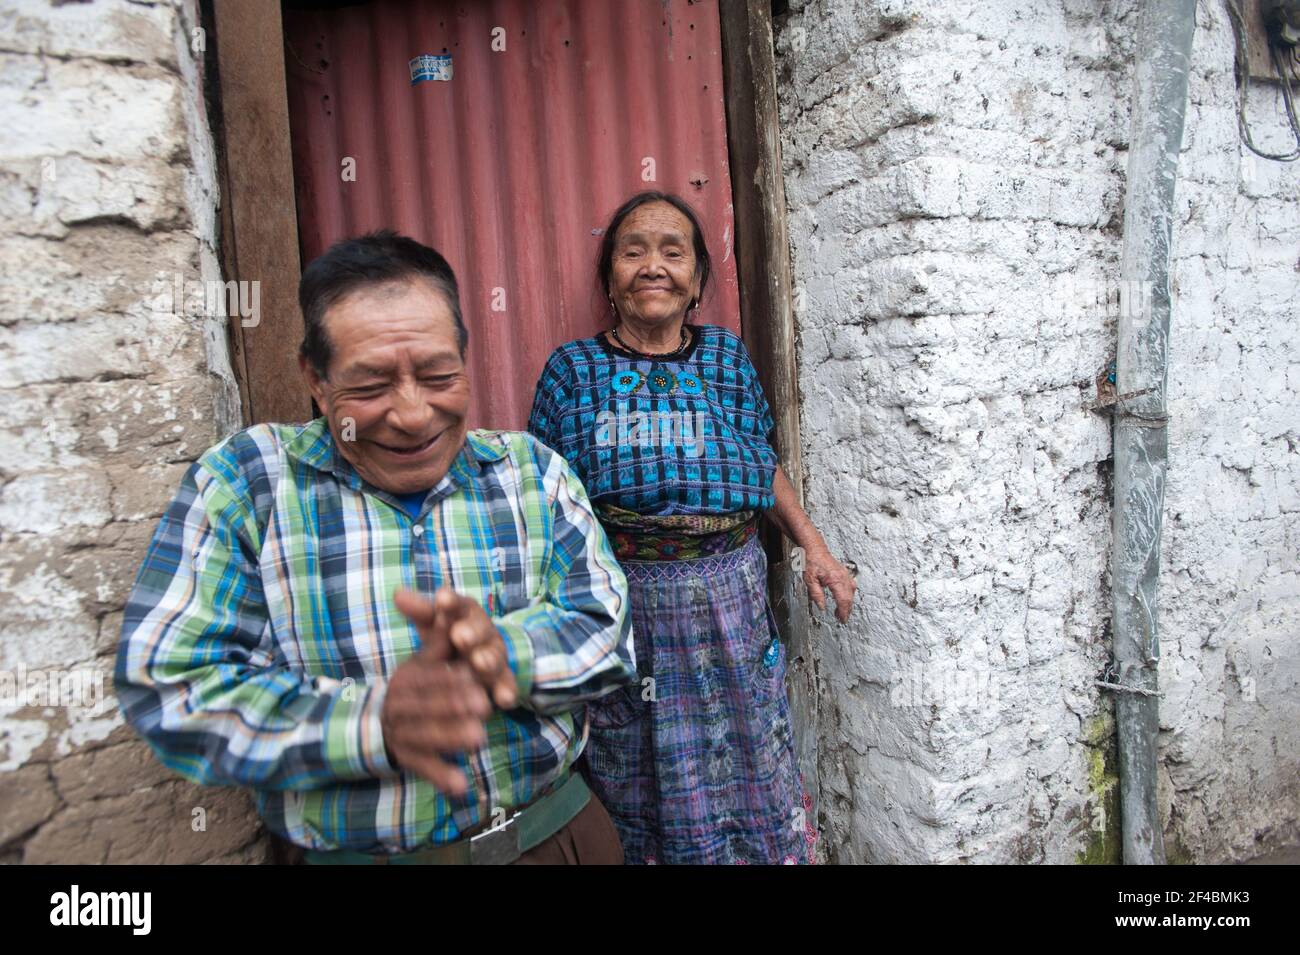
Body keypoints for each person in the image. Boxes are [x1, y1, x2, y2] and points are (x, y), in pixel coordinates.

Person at [115, 230, 636, 864]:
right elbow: (171, 686)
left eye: (439, 374)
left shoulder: (532, 471)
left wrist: (504, 654)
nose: (414, 414)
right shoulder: (247, 484)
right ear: (315, 377)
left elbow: (607, 633)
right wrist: (373, 725)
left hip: (557, 841)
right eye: (370, 385)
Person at [527, 191, 856, 864]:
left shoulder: (725, 361)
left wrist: (815, 549)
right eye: (633, 250)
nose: (654, 265)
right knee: (636, 763)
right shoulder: (571, 371)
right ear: (610, 277)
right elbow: (542, 506)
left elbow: (761, 467)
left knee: (749, 760)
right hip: (627, 608)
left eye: (673, 251)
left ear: (699, 279)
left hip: (731, 605)